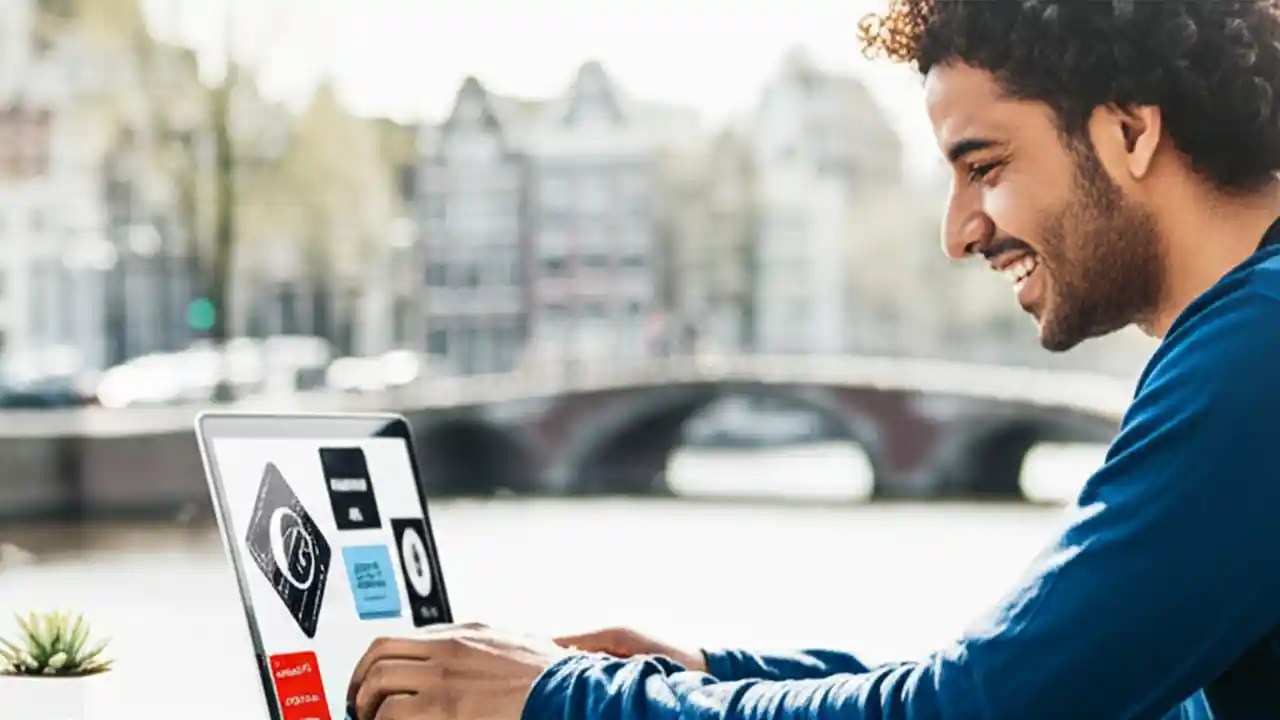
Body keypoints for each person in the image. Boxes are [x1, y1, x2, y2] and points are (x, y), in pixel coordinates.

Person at [346, 1, 1280, 717]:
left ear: (1129, 131)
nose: (958, 232)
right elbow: (1022, 676)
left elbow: (979, 709)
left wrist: (564, 700)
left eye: (985, 166)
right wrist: (695, 674)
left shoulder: (1252, 361)